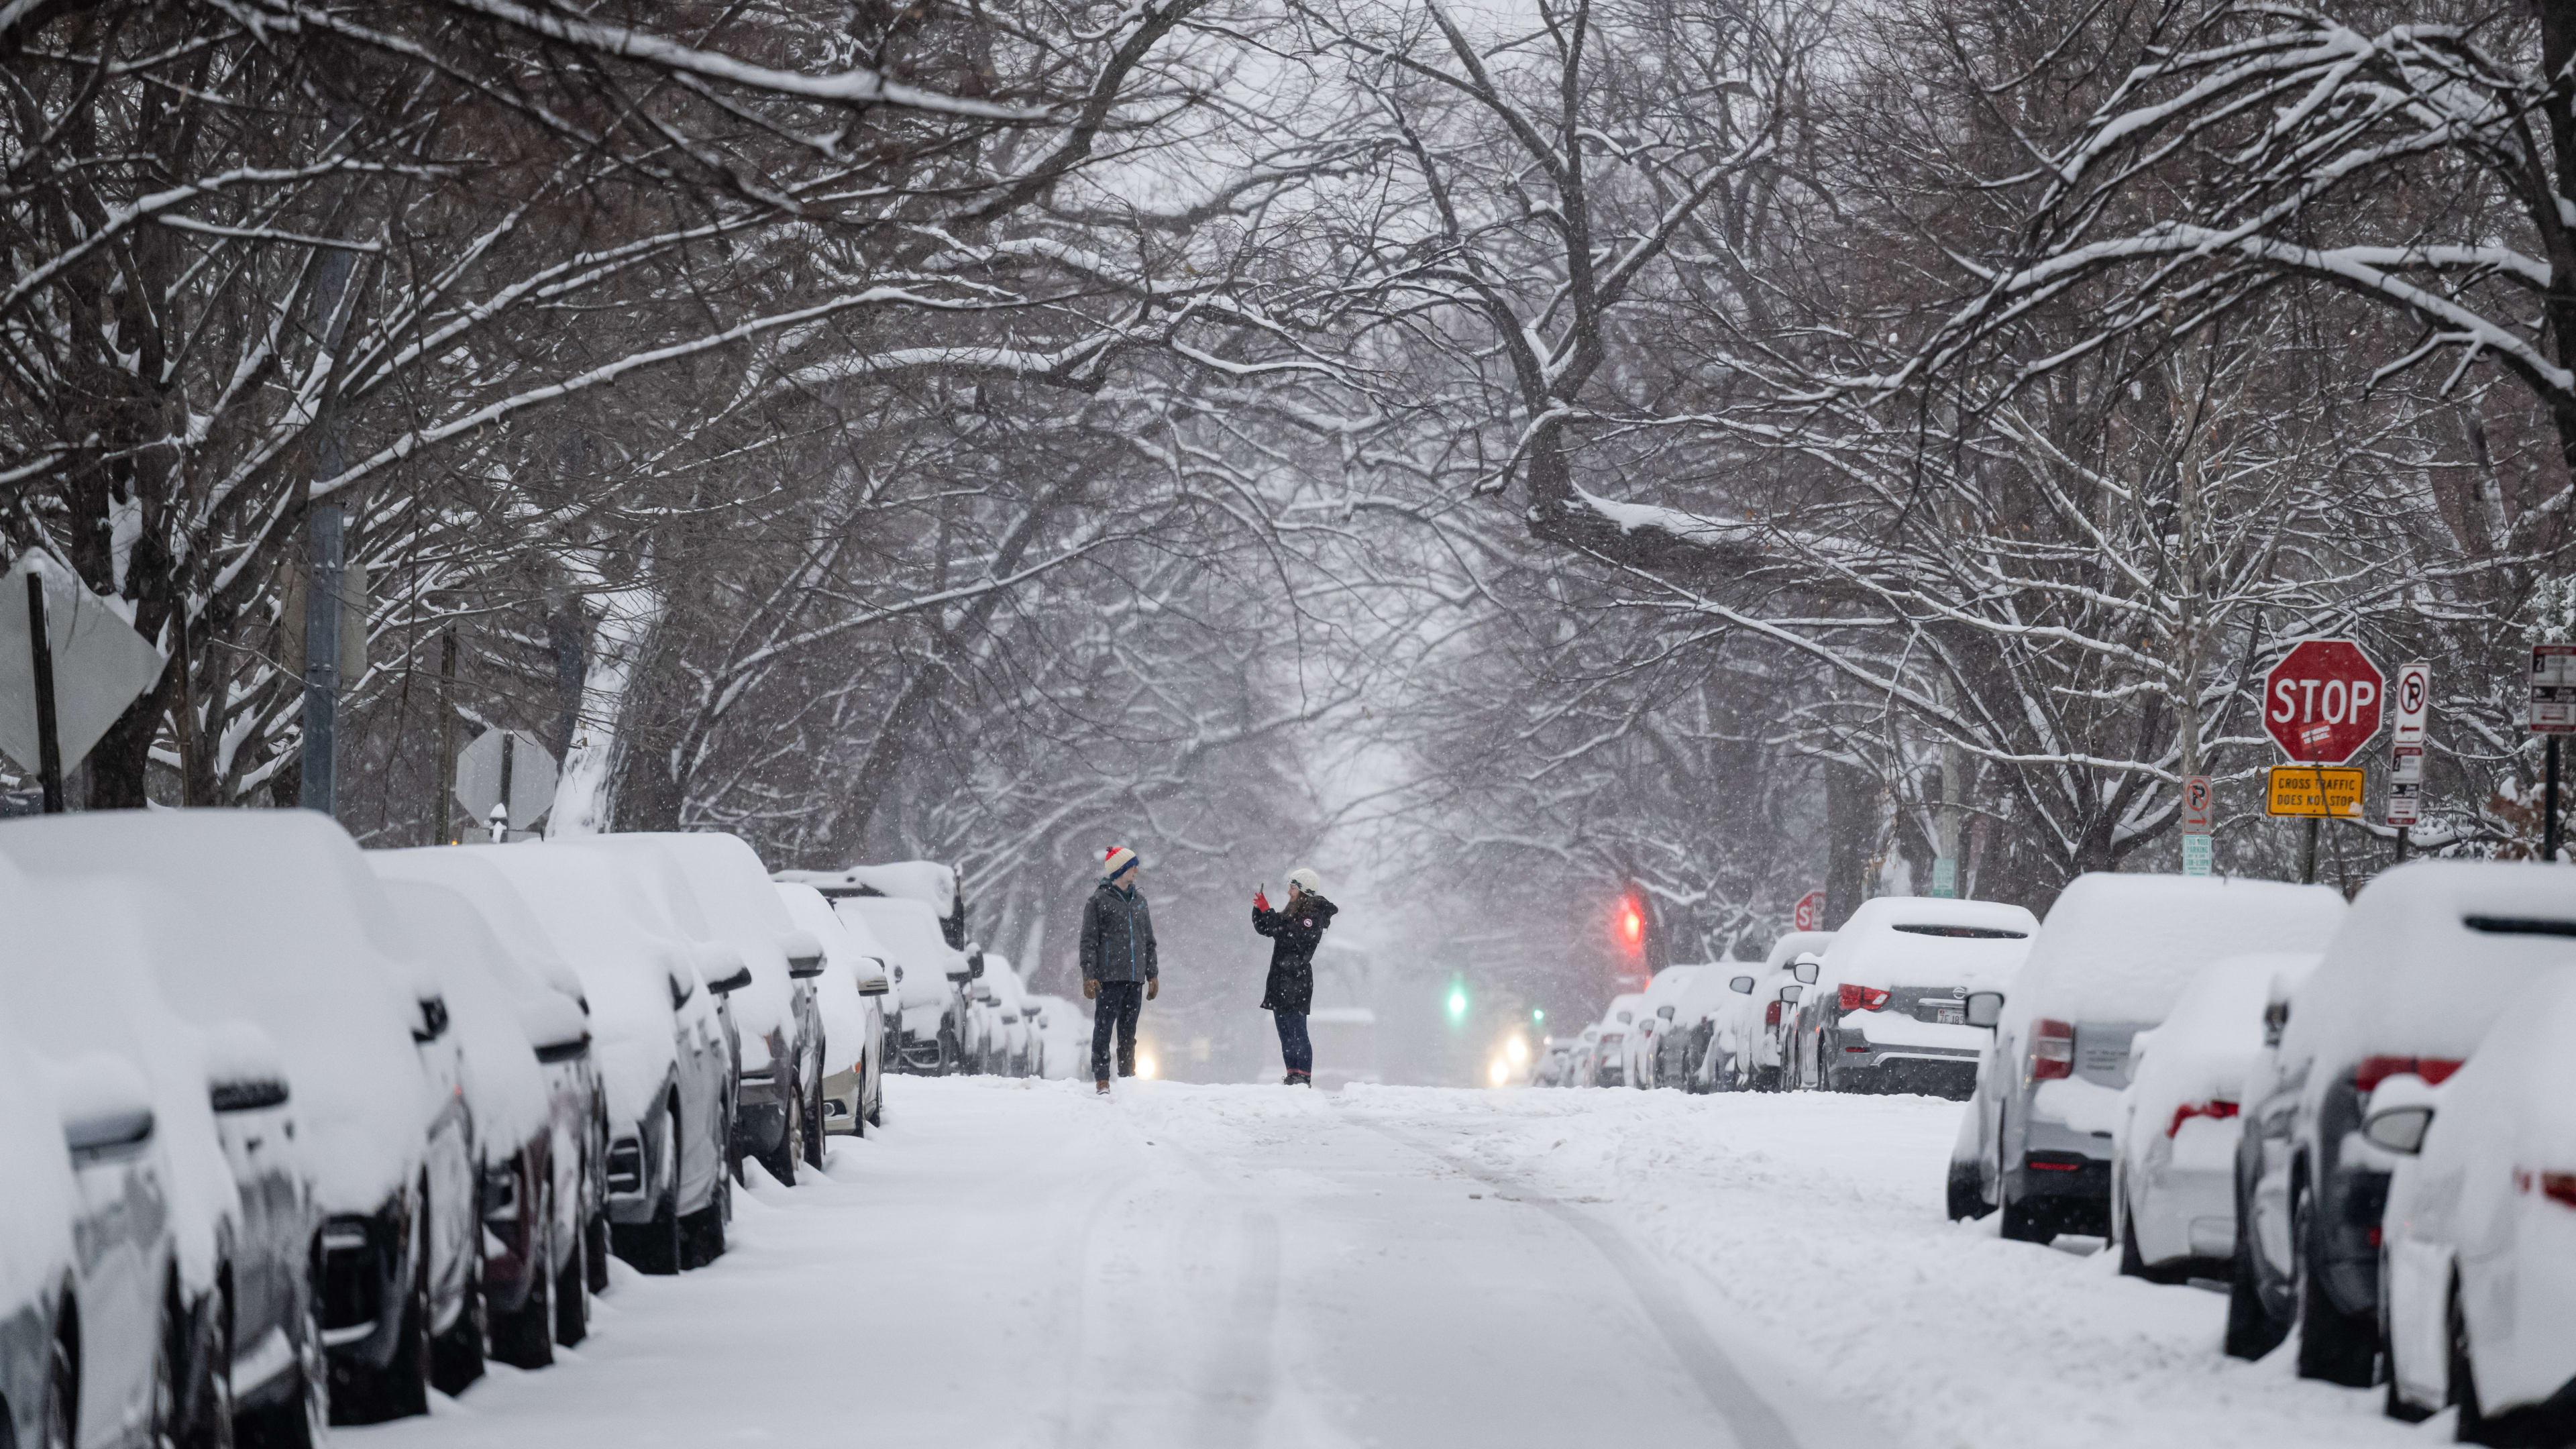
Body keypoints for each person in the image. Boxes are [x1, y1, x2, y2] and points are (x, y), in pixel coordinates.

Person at [1079, 845, 1158, 1094]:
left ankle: (1127, 1077)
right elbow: (1088, 942)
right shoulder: (1098, 902)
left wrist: (1152, 974)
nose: (1136, 871)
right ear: (1121, 869)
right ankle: (1102, 1078)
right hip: (1109, 979)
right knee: (1103, 1029)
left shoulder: (1140, 903)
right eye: (1133, 866)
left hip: (1135, 979)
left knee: (1128, 1032)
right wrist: (1089, 976)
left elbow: (1149, 941)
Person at [1253, 867, 1337, 1087]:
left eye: (1293, 887)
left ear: (1303, 890)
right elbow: (1269, 929)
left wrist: (1269, 912)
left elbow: (1291, 936)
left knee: (1297, 1030)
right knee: (1285, 1032)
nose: (1288, 891)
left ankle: (1303, 1076)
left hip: (1296, 981)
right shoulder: (1292, 912)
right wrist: (1259, 910)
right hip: (1280, 979)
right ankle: (1292, 1074)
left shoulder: (1312, 915)